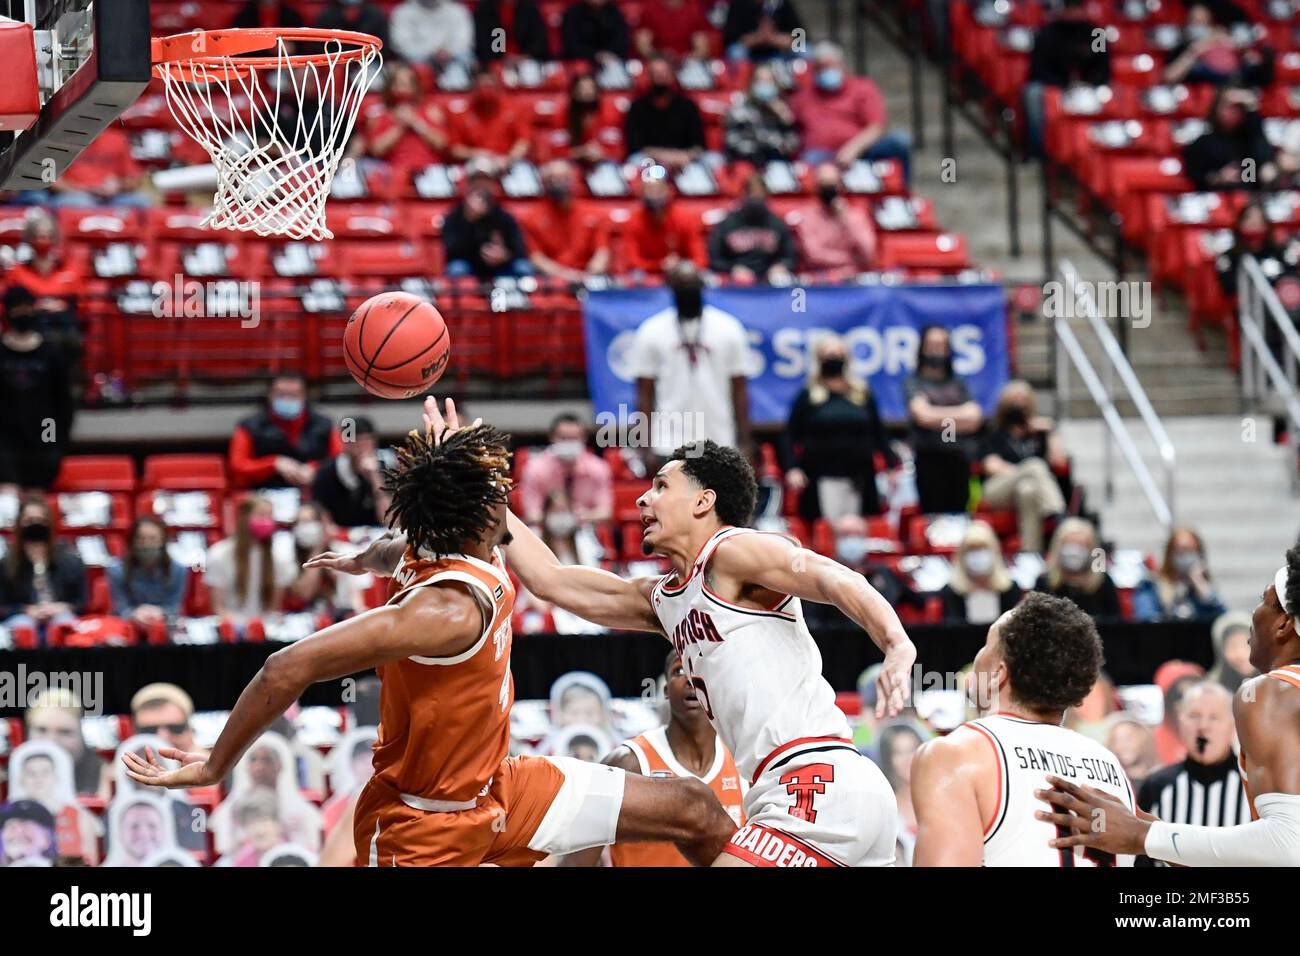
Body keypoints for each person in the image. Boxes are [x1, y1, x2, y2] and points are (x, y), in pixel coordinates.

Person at [125, 401, 739, 867]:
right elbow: (285, 667)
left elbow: (399, 546)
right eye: (497, 491)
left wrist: (361, 555)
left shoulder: (452, 542)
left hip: (502, 786)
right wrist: (215, 765)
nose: (508, 496)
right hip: (425, 827)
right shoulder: (442, 613)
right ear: (481, 517)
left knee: (694, 808)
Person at [1040, 548, 1300, 865]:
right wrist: (1146, 828)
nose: (1253, 613)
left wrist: (1140, 835)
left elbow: (1288, 846)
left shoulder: (1273, 693)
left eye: (1263, 600)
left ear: (1284, 624)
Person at [911, 592, 1137, 866]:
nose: (977, 656)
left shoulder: (956, 754)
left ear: (998, 673)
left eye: (985, 644)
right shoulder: (1110, 764)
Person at [558, 650, 746, 866]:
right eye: (680, 670)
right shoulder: (627, 762)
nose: (690, 679)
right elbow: (575, 862)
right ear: (666, 690)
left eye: (702, 669)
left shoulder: (742, 763)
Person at [631, 262, 753, 463]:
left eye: (692, 286)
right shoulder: (651, 330)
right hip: (668, 441)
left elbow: (740, 390)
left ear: (702, 287)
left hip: (719, 440)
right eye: (682, 287)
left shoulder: (729, 328)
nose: (687, 292)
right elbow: (644, 394)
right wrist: (645, 446)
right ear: (671, 289)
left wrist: (745, 441)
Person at [1134, 681, 1252, 866]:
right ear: (1181, 721)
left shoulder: (1254, 785)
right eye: (1194, 716)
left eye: (1214, 717)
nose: (1203, 726)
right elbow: (1141, 857)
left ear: (1233, 725)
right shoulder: (1157, 785)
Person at [781, 332, 897, 520]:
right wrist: (792, 468)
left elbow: (879, 431)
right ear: (819, 359)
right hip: (823, 477)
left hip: (860, 476)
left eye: (838, 355)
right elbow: (789, 435)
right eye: (828, 355)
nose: (833, 360)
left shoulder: (861, 393)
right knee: (828, 530)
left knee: (857, 531)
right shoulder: (809, 395)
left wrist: (891, 465)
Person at [789, 42, 910, 179]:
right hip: (818, 154)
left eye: (831, 65)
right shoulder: (803, 96)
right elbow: (788, 121)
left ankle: (904, 195)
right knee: (808, 162)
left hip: (861, 151)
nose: (826, 71)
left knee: (900, 141)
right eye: (821, 67)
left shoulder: (863, 88)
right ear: (814, 70)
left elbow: (875, 126)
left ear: (842, 65)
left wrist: (852, 150)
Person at [979, 380, 1068, 554]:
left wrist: (1051, 431)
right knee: (1035, 466)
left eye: (1023, 400)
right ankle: (1059, 516)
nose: (1019, 405)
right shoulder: (993, 431)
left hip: (1030, 490)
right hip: (997, 490)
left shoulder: (1039, 433)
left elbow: (1059, 462)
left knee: (1027, 490)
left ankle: (1030, 553)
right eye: (1014, 400)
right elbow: (992, 466)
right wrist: (1028, 470)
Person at [0, 287, 74, 493]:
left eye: (26, 308)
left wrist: (54, 445)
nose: (22, 313)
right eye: (17, 309)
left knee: (36, 501)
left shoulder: (51, 355)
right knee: (7, 501)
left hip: (43, 435)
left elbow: (62, 403)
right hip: (5, 439)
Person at [905, 324, 983, 515]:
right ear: (922, 348)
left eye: (941, 345)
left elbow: (974, 418)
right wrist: (959, 413)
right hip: (928, 461)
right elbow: (922, 416)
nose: (936, 350)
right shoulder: (914, 383)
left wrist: (934, 412)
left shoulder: (959, 383)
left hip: (959, 460)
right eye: (931, 345)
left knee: (960, 519)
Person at [1023, 0, 1110, 154]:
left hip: (1089, 86)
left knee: (1112, 94)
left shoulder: (1096, 34)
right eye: (1069, 8)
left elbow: (1103, 68)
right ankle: (1037, 149)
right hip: (1055, 84)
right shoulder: (1047, 33)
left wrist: (1088, 83)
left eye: (1077, 7)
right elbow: (1038, 69)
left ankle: (1102, 146)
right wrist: (1063, 84)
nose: (1073, 12)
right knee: (1032, 92)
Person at [229, 372, 343, 490]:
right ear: (270, 395)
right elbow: (238, 466)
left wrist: (316, 469)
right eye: (281, 395)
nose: (288, 399)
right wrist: (273, 464)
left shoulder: (325, 424)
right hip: (264, 493)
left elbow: (340, 459)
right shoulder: (249, 425)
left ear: (304, 395)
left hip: (314, 493)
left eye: (294, 395)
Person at [0, 495, 85, 643]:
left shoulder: (69, 560)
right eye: (29, 521)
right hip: (23, 617)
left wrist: (62, 607)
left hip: (59, 614)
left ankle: (65, 667)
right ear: (19, 525)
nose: (35, 526)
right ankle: (22, 667)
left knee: (63, 624)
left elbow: (82, 602)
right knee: (23, 626)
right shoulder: (7, 563)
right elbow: (3, 606)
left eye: (40, 521)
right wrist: (26, 609)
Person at [4, 209, 83, 359]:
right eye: (38, 235)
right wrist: (35, 306)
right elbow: (9, 304)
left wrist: (62, 305)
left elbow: (82, 302)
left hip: (63, 327)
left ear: (54, 238)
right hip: (27, 327)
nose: (43, 239)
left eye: (47, 235)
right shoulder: (17, 271)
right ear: (29, 239)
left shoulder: (70, 269)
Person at [204, 495, 297, 622]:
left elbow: (274, 608)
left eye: (270, 516)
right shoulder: (219, 554)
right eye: (261, 515)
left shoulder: (279, 558)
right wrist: (244, 626)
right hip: (232, 630)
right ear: (244, 517)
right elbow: (218, 607)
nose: (266, 520)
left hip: (267, 630)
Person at [1182, 85, 1294, 191]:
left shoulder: (1249, 142)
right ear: (1216, 108)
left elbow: (1259, 169)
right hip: (1217, 197)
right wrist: (1218, 177)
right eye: (1228, 106)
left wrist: (1251, 105)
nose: (1233, 112)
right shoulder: (1203, 143)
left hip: (1247, 197)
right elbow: (1195, 176)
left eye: (1239, 107)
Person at [6, 741, 101, 864]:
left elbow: (91, 861)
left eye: (45, 772)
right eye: (31, 773)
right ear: (21, 779)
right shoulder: (8, 823)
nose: (38, 778)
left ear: (56, 777)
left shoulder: (80, 817)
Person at [517, 413, 613, 530]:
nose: (569, 443)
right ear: (552, 437)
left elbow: (606, 512)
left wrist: (583, 517)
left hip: (585, 527)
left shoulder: (598, 467)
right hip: (546, 529)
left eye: (574, 438)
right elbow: (532, 515)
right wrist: (556, 519)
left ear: (584, 438)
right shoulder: (535, 468)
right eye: (563, 438)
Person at [522, 160, 612, 282]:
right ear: (544, 183)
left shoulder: (594, 214)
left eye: (563, 178)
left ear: (572, 180)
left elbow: (602, 252)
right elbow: (536, 258)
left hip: (588, 277)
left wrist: (590, 275)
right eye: (552, 180)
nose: (558, 184)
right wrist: (565, 276)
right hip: (552, 279)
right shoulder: (532, 218)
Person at [356, 63, 448, 177]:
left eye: (407, 84)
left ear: (415, 86)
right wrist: (400, 126)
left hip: (430, 170)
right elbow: (377, 150)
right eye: (398, 84)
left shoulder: (431, 111)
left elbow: (442, 144)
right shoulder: (379, 114)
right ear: (390, 87)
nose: (403, 89)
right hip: (393, 172)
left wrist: (416, 122)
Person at [441, 165, 533, 279]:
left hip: (502, 268)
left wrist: (504, 255)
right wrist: (470, 220)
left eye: (485, 181)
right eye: (476, 181)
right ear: (468, 185)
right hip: (470, 266)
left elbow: (520, 250)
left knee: (523, 267)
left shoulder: (504, 216)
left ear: (493, 185)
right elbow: (451, 252)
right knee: (456, 268)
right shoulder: (455, 216)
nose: (481, 186)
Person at [107, 516, 188, 641]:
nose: (147, 544)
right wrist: (135, 614)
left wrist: (160, 613)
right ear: (132, 542)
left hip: (165, 627)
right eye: (141, 539)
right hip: (129, 628)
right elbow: (120, 608)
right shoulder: (116, 570)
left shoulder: (178, 570)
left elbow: (174, 606)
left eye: (153, 539)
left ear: (163, 541)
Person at [706, 173, 797, 283]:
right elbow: (715, 258)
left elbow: (790, 256)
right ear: (744, 195)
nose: (756, 199)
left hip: (769, 277)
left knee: (782, 280)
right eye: (753, 194)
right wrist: (732, 269)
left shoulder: (776, 223)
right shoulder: (728, 223)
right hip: (735, 277)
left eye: (760, 195)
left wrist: (780, 266)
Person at [792, 163, 878, 276]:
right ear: (816, 186)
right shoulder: (806, 216)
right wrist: (850, 260)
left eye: (832, 184)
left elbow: (868, 254)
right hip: (819, 280)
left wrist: (845, 219)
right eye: (824, 184)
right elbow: (813, 255)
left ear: (840, 185)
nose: (829, 189)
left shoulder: (856, 217)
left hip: (851, 280)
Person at [624, 56, 706, 171]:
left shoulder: (688, 106)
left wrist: (685, 156)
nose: (660, 77)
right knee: (634, 161)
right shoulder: (637, 107)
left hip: (684, 159)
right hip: (650, 159)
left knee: (714, 161)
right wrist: (665, 156)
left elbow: (699, 144)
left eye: (664, 72)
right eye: (656, 73)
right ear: (649, 76)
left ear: (672, 75)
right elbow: (635, 146)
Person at [1033, 518, 1122, 619]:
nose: (1075, 551)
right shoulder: (1044, 582)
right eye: (1069, 544)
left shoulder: (1103, 582)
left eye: (1081, 545)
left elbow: (1115, 625)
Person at [24, 688, 107, 796]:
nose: (52, 742)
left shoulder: (105, 774)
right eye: (41, 730)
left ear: (82, 734)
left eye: (65, 732)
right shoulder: (11, 774)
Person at [311, 416, 392, 527]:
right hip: (340, 536)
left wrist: (375, 478)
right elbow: (322, 516)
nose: (362, 446)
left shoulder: (384, 469)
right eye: (356, 441)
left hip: (375, 533)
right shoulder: (327, 472)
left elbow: (389, 522)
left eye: (367, 440)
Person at [938, 520, 1023, 625]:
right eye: (972, 550)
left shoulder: (1010, 588)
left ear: (995, 552)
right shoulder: (951, 591)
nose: (978, 556)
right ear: (962, 555)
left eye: (983, 549)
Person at [1133, 527, 1227, 621]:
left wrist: (1200, 584)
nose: (1185, 556)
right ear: (1170, 554)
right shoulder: (1151, 586)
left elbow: (1223, 620)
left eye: (1190, 551)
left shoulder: (1202, 590)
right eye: (1180, 550)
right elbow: (1145, 620)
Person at [621, 173, 706, 275]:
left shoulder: (685, 220)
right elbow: (632, 262)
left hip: (680, 276)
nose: (654, 195)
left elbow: (700, 259)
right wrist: (660, 265)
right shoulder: (632, 222)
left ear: (669, 191)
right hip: (647, 275)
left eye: (659, 190)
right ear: (641, 193)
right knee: (636, 275)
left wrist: (681, 266)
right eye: (649, 190)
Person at [446, 70, 531, 170]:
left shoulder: (513, 110)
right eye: (481, 87)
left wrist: (508, 160)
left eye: (489, 87)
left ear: (498, 89)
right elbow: (454, 149)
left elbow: (523, 142)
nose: (485, 91)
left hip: (508, 163)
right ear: (474, 89)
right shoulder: (461, 113)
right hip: (474, 163)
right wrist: (478, 154)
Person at [723, 63, 800, 166]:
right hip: (747, 162)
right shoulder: (739, 109)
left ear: (776, 85)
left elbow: (793, 145)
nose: (764, 85)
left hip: (775, 163)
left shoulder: (782, 109)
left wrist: (786, 122)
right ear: (752, 84)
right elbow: (731, 141)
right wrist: (762, 146)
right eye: (760, 81)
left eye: (768, 81)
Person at [876, 720, 927, 866]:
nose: (907, 759)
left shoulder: (943, 803)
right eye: (898, 753)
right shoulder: (884, 809)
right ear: (888, 760)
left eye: (912, 750)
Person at [387, 0, 474, 67]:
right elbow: (400, 44)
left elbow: (464, 43)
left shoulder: (457, 11)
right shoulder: (403, 12)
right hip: (415, 62)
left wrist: (447, 52)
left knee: (463, 60)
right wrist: (432, 53)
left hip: (451, 61)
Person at [722, 0, 803, 62]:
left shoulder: (781, 3)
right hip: (750, 54)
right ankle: (740, 81)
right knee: (736, 52)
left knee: (805, 50)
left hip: (777, 52)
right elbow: (732, 38)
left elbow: (799, 34)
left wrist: (775, 39)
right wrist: (758, 38)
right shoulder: (739, 3)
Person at [473, 0, 551, 62]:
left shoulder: (530, 8)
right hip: (496, 62)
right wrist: (502, 58)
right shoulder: (484, 10)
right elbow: (482, 42)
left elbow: (540, 41)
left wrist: (523, 57)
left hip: (527, 61)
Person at [635, 0, 712, 61]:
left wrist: (689, 58)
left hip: (687, 61)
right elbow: (643, 45)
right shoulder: (650, 8)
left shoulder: (694, 9)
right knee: (659, 68)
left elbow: (702, 46)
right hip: (658, 60)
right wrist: (659, 57)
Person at [1103, 713, 1160, 791]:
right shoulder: (1110, 785)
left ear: (1143, 739)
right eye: (1116, 740)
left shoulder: (1160, 780)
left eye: (1128, 738)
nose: (1122, 745)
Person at [561, 0, 629, 63]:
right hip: (581, 60)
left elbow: (621, 40)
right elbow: (572, 44)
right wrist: (595, 55)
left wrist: (608, 54)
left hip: (611, 59)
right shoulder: (573, 13)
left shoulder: (615, 12)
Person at [1208, 609, 1256, 693]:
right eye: (1232, 646)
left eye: (1248, 643)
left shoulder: (1279, 680)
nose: (1241, 653)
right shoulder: (1213, 688)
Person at [315, 0, 389, 50]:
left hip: (367, 60)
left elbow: (384, 47)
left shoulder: (374, 15)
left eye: (355, 7)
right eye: (347, 8)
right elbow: (318, 47)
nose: (351, 11)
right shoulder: (328, 17)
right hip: (334, 61)